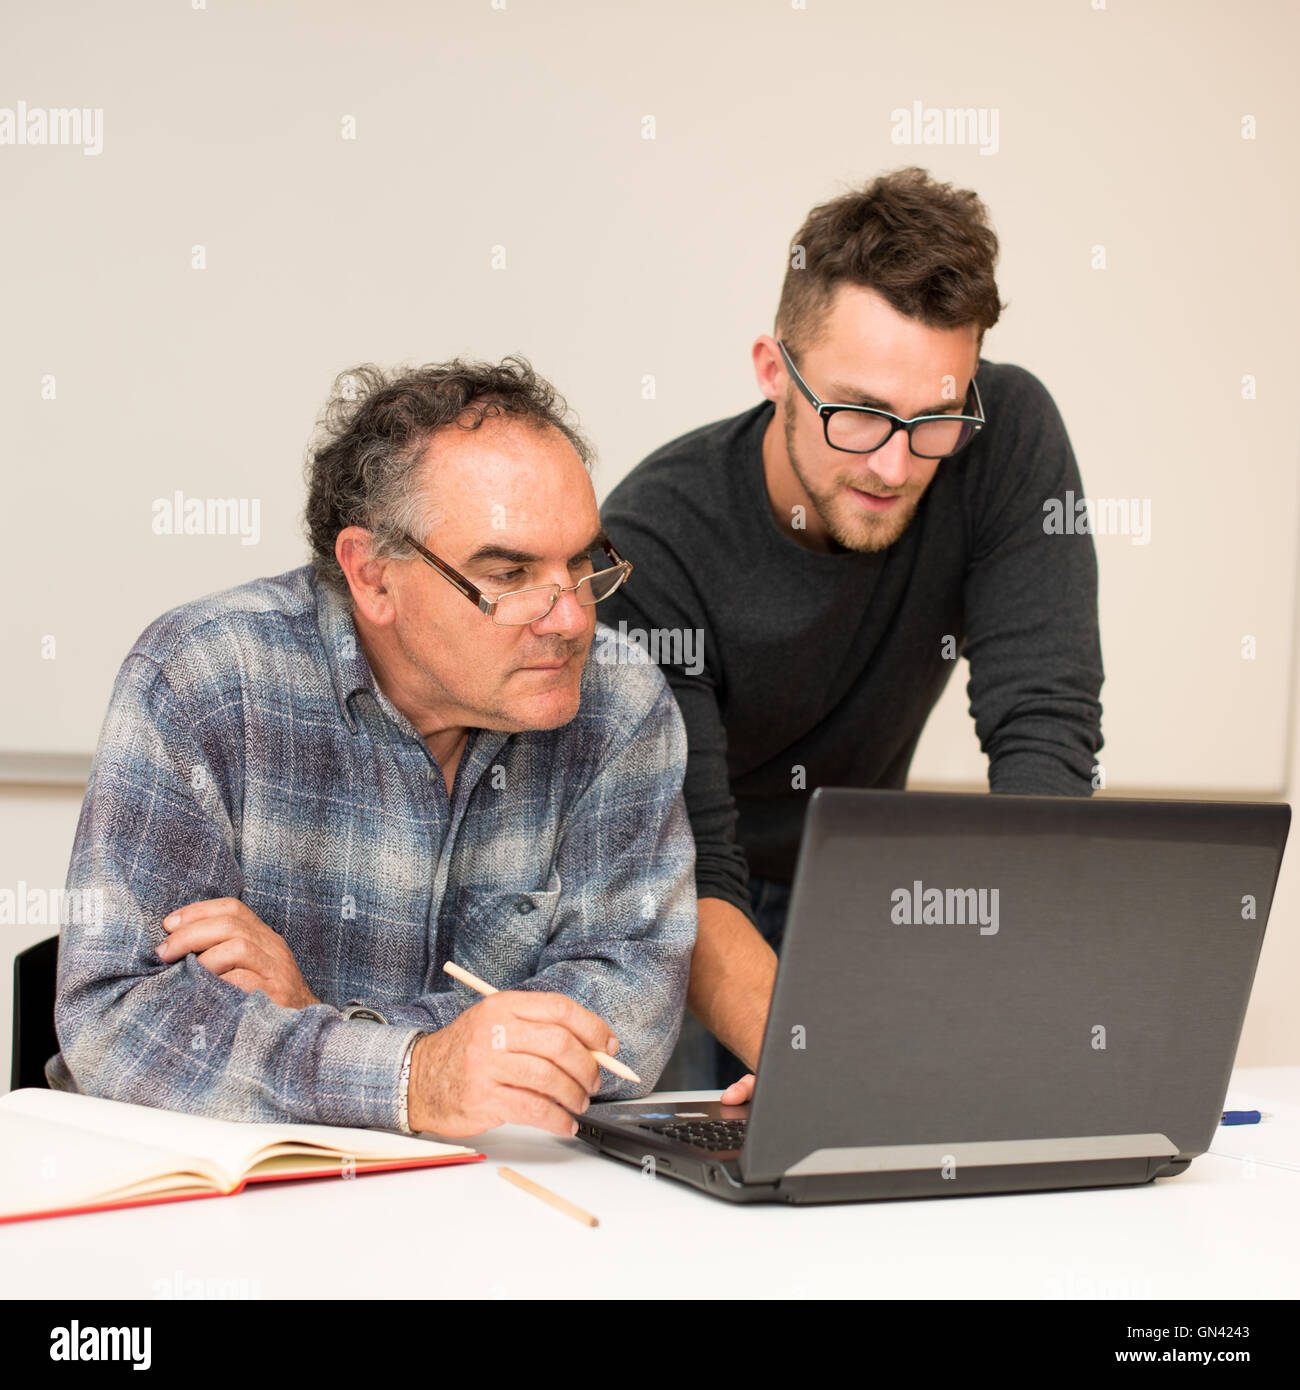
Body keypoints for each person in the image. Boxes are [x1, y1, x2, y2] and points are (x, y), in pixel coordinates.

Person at [48, 357, 697, 1139]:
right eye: (511, 573)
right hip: (232, 1200)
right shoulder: (205, 678)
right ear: (372, 576)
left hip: (492, 1204)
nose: (569, 619)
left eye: (583, 563)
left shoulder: (619, 703)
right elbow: (119, 1016)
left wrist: (328, 1023)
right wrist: (417, 1076)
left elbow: (632, 1007)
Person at [600, 167, 1105, 1098]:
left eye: (932, 420)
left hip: (853, 892)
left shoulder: (1007, 435)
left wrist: (1036, 999)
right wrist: (842, 1074)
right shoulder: (652, 546)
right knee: (684, 1178)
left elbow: (1045, 728)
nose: (892, 464)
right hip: (677, 907)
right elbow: (691, 875)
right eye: (858, 413)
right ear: (771, 369)